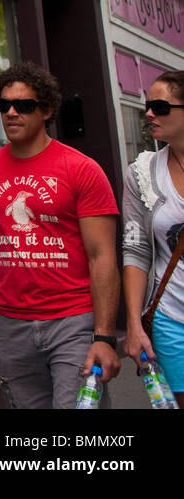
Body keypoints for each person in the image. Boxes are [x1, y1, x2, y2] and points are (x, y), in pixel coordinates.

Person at [0, 62, 120, 408]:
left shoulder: (81, 169)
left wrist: (105, 336)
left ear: (47, 110)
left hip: (72, 320)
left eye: (24, 105)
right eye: (4, 105)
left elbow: (102, 255)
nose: (12, 113)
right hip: (10, 322)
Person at [123, 70, 184, 405]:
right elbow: (135, 248)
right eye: (148, 106)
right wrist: (133, 323)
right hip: (171, 319)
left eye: (160, 106)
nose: (149, 113)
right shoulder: (142, 173)